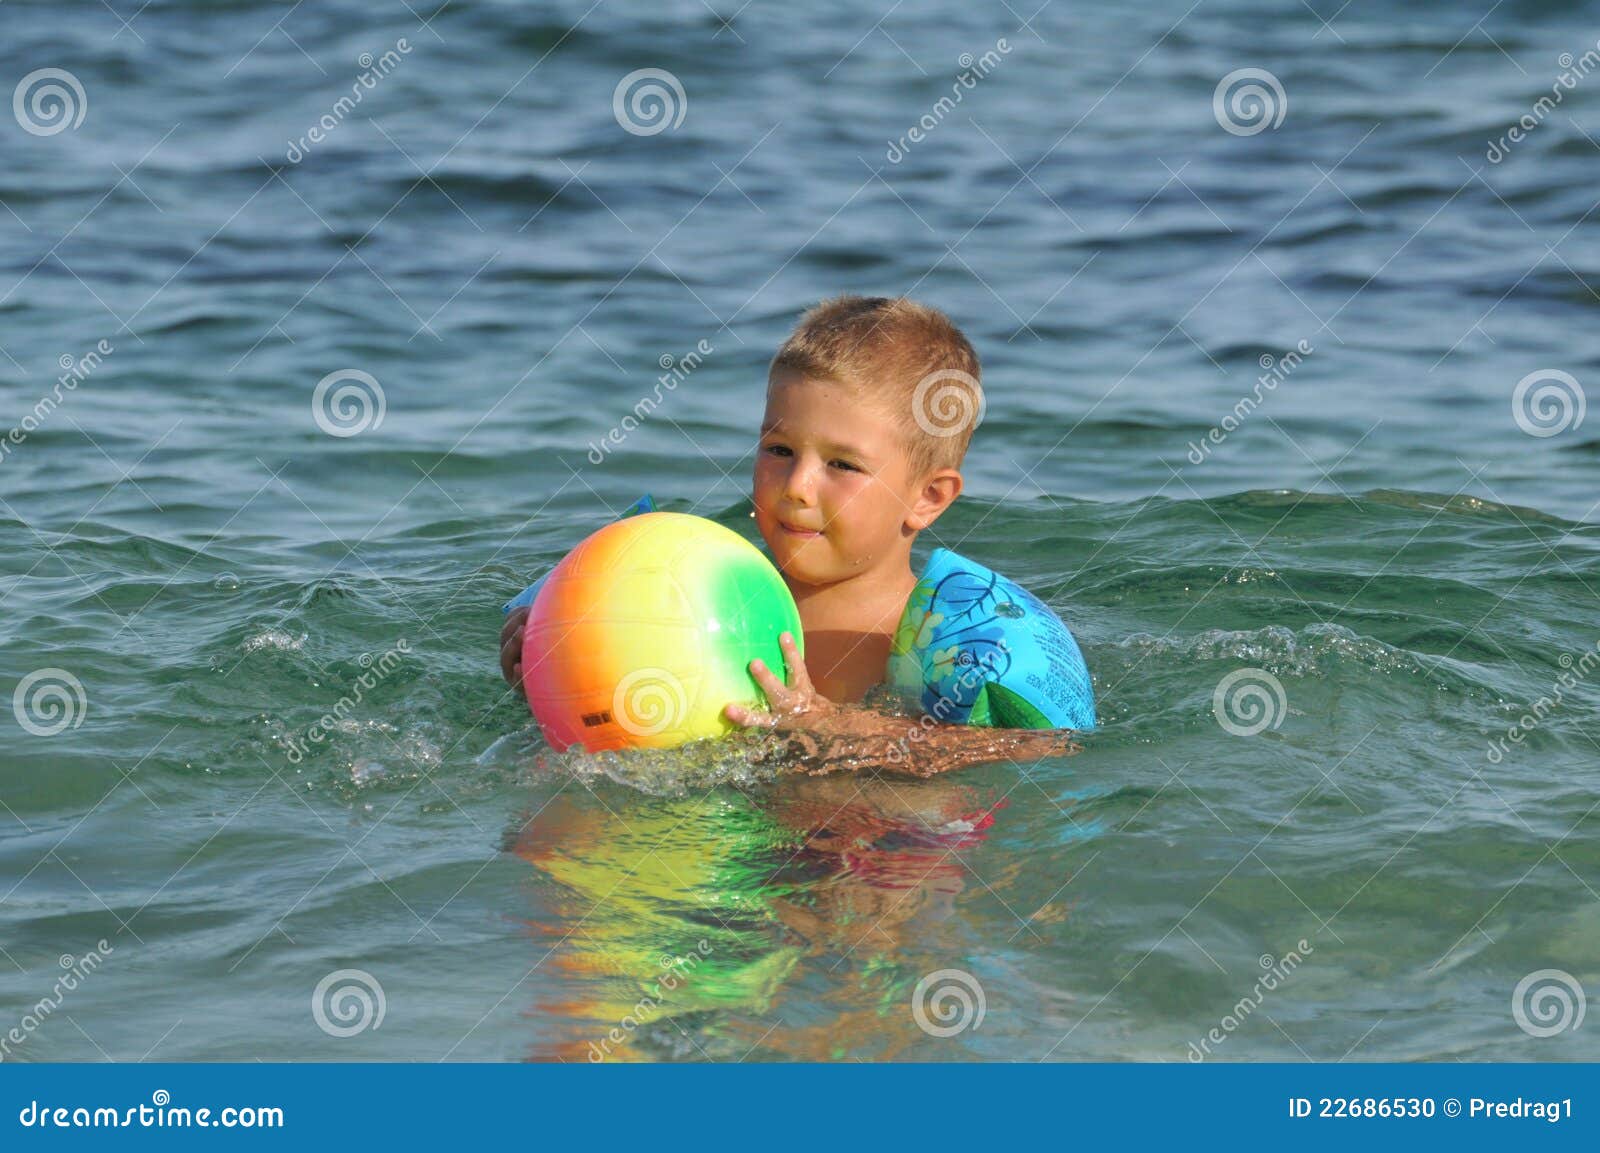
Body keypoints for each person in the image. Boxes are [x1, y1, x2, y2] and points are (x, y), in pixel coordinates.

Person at [501, 296, 1091, 775]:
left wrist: (833, 726)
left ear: (926, 497)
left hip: (877, 847)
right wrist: (549, 672)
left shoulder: (945, 644)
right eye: (779, 450)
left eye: (843, 465)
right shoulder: (685, 597)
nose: (798, 487)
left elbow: (1038, 751)